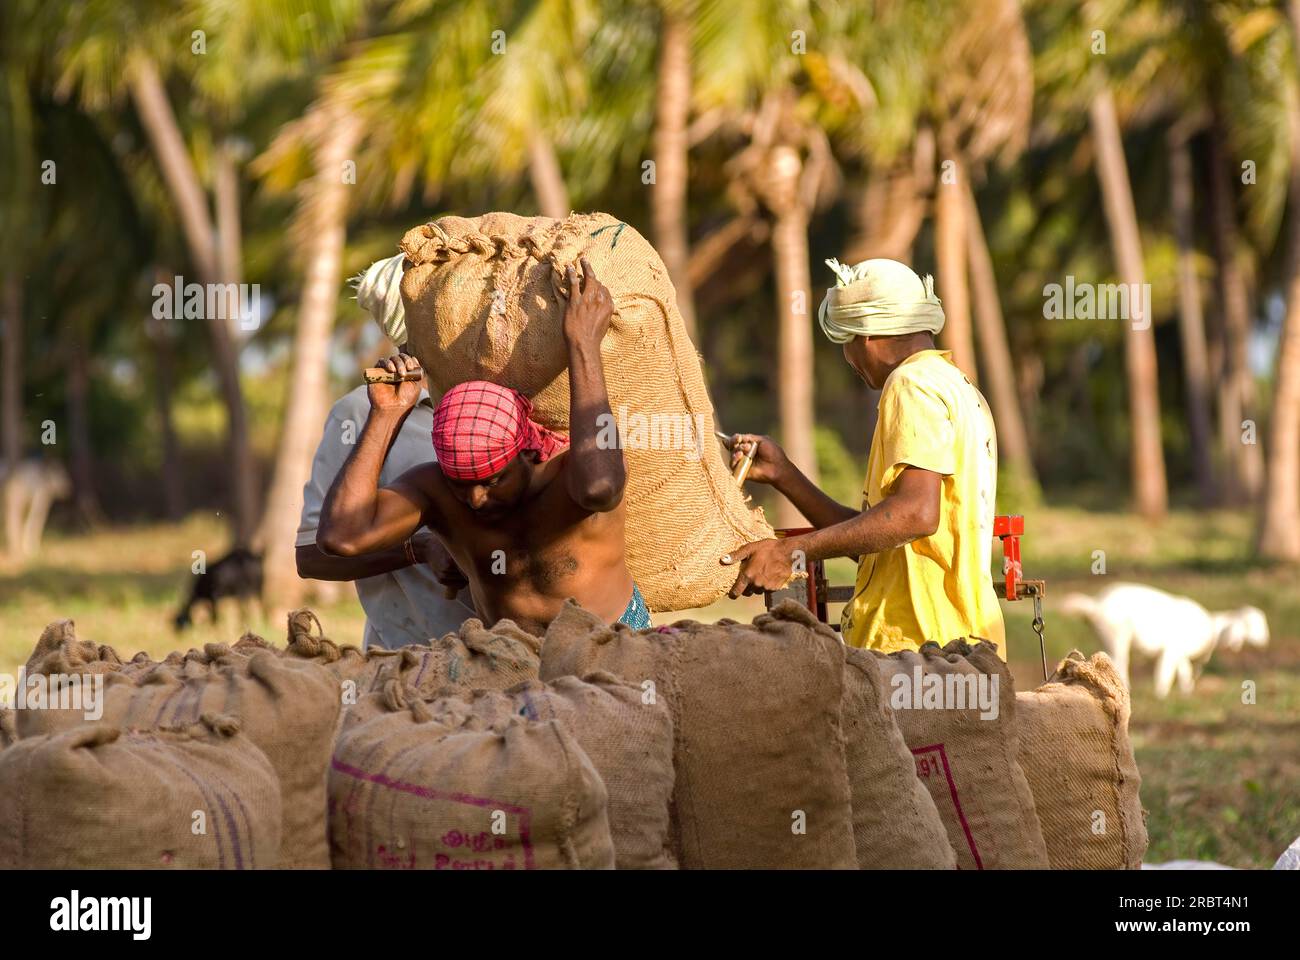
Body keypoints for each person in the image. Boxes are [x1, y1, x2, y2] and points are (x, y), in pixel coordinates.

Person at [316, 257, 650, 637]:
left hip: (610, 640)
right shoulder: (437, 492)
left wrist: (583, 343)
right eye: (460, 483)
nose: (474, 498)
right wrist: (386, 414)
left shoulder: (574, 475)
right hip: (509, 656)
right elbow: (341, 537)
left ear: (527, 450)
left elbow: (601, 489)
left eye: (491, 481)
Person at [720, 257, 1005, 657]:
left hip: (917, 649)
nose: (848, 358)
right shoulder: (959, 387)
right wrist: (785, 475)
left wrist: (788, 552)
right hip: (958, 646)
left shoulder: (910, 385)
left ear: (866, 336)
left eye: (846, 343)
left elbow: (917, 513)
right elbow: (883, 537)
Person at [295, 253, 475, 649]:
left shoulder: (495, 406)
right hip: (410, 656)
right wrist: (417, 550)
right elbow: (311, 557)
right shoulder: (362, 412)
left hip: (510, 649)